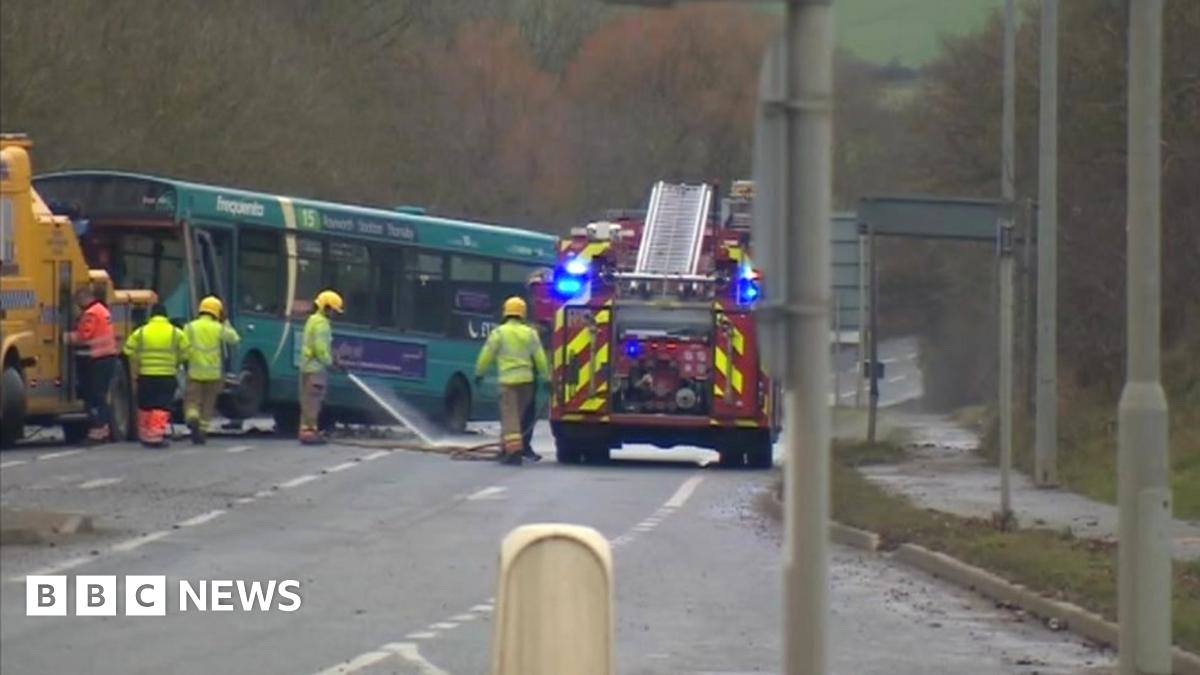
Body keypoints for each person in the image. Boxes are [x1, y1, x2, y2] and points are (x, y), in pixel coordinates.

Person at [474, 296, 550, 466]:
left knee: (510, 419)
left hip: (508, 383)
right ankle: (506, 448)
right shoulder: (530, 333)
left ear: (506, 312)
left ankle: (514, 453)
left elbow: (486, 355)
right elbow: (540, 358)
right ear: (522, 313)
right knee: (516, 418)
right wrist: (546, 379)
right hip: (527, 383)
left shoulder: (499, 333)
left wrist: (479, 373)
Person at [123, 303, 188, 448]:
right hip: (166, 375)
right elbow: (186, 352)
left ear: (151, 315)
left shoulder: (141, 332)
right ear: (166, 315)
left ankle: (144, 433)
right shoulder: (175, 332)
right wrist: (176, 361)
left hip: (145, 374)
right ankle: (155, 435)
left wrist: (138, 361)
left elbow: (128, 350)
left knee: (145, 405)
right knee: (161, 405)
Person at [64, 284, 118, 443]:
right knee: (100, 396)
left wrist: (66, 338)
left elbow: (84, 335)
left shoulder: (91, 313)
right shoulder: (102, 310)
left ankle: (98, 431)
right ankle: (103, 429)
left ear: (83, 297)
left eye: (78, 300)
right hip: (107, 357)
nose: (78, 304)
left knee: (96, 397)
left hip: (98, 359)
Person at [183, 296, 240, 444]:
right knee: (208, 403)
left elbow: (182, 346)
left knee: (192, 401)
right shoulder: (218, 328)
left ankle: (192, 417)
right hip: (213, 374)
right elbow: (234, 339)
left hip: (194, 372)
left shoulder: (190, 327)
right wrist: (225, 321)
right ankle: (202, 430)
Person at [299, 290, 344, 445]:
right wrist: (331, 363)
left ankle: (307, 429)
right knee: (313, 401)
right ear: (326, 307)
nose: (334, 315)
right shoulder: (322, 324)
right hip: (316, 369)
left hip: (307, 368)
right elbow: (321, 349)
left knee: (307, 400)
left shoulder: (312, 320)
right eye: (333, 311)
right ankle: (309, 432)